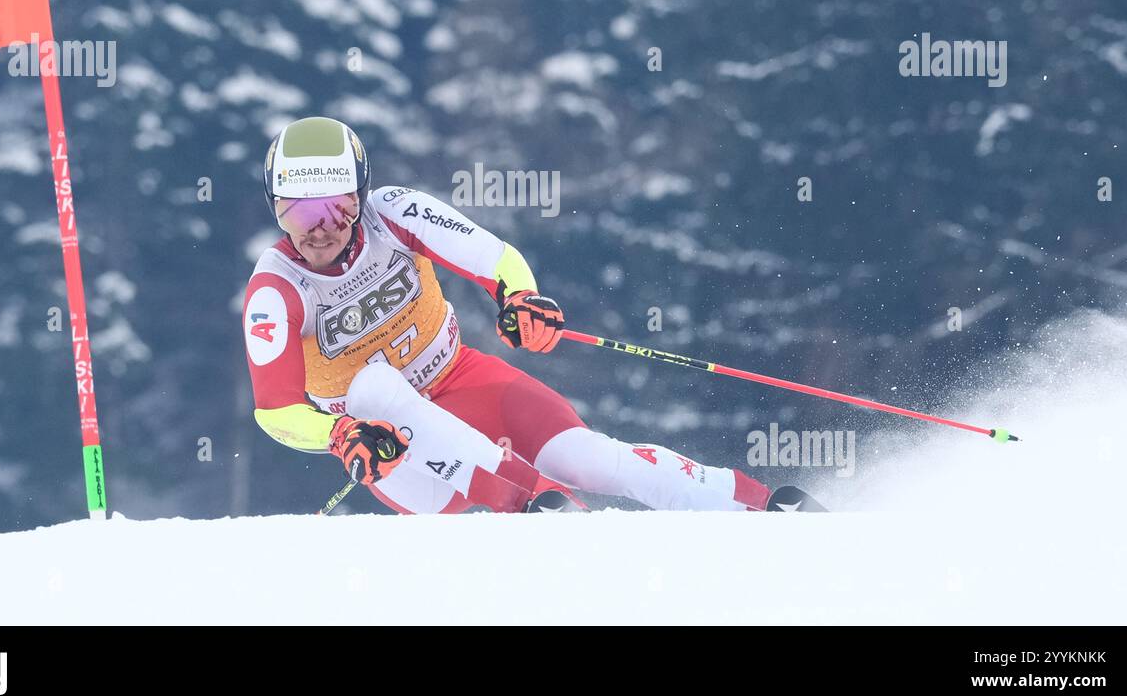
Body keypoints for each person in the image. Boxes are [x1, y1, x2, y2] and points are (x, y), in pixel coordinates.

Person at [243, 116, 774, 514]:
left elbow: (496, 258)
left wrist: (519, 298)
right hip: (401, 454)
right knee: (372, 387)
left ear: (361, 196)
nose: (320, 228)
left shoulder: (393, 212)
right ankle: (540, 504)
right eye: (298, 210)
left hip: (463, 379)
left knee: (587, 458)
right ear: (275, 208)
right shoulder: (275, 290)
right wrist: (339, 434)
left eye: (337, 206)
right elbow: (275, 412)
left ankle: (754, 505)